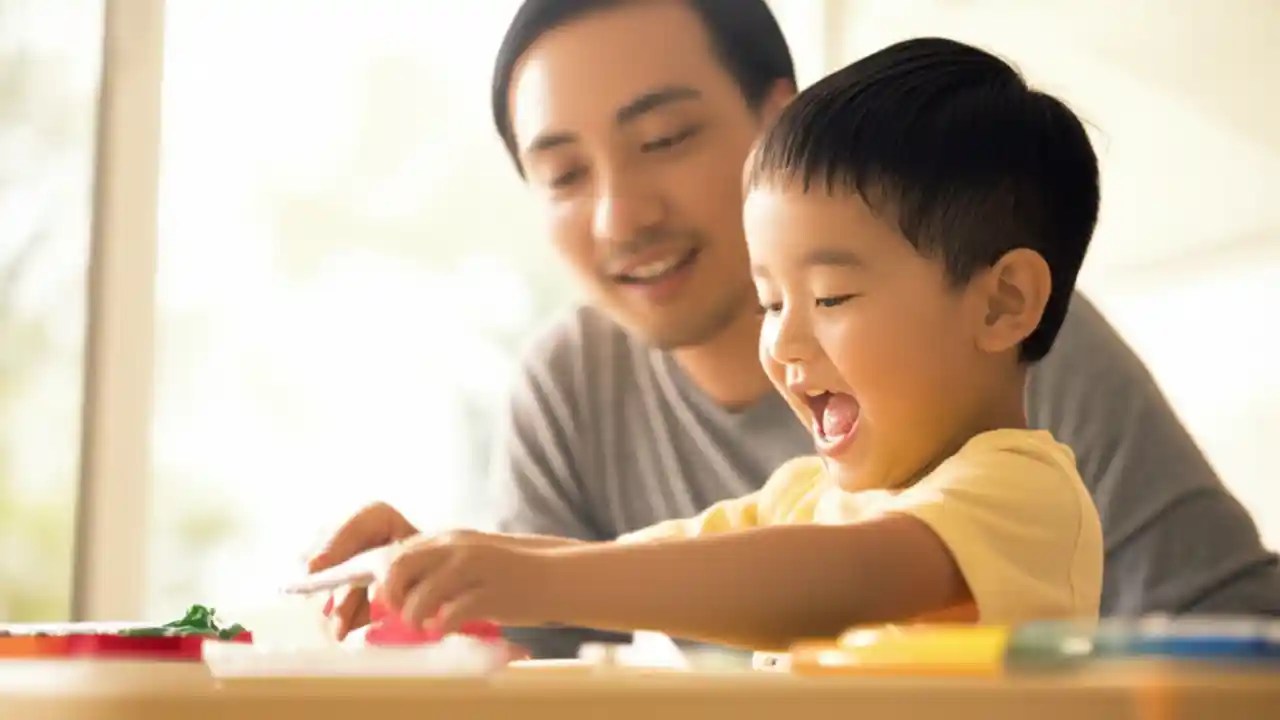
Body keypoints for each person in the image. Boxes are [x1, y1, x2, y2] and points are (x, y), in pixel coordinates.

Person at [309, 0, 1280, 657]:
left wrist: (526, 578)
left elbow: (835, 578)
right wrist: (453, 568)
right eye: (563, 173)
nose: (619, 216)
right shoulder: (807, 489)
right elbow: (662, 557)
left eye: (662, 139)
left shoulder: (1010, 481)